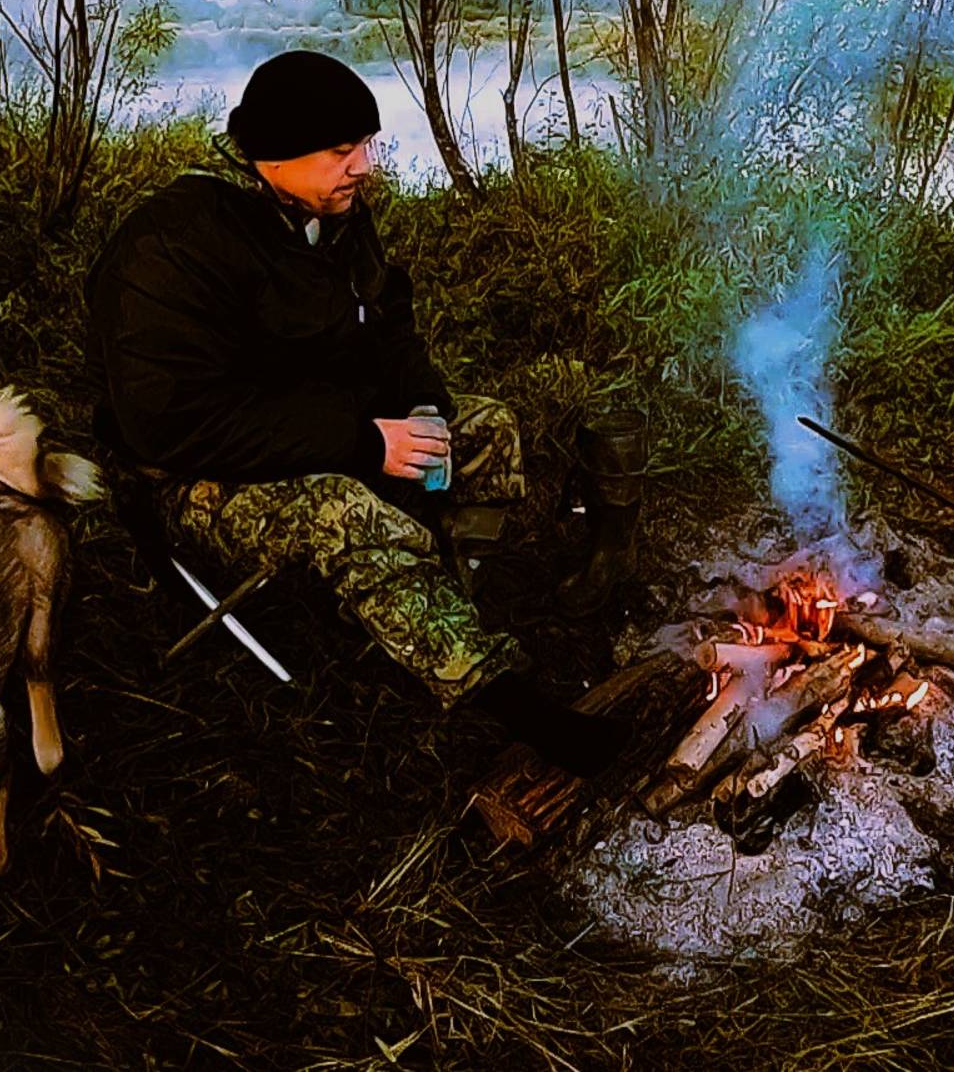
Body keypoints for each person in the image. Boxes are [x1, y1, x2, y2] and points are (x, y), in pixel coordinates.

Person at [85, 50, 629, 775]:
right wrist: (363, 444)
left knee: (486, 429)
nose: (365, 166)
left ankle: (443, 600)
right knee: (346, 512)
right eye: (343, 151)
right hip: (193, 475)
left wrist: (422, 405)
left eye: (366, 145)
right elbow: (172, 423)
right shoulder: (169, 249)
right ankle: (511, 706)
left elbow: (388, 320)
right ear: (273, 155)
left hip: (327, 418)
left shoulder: (330, 214)